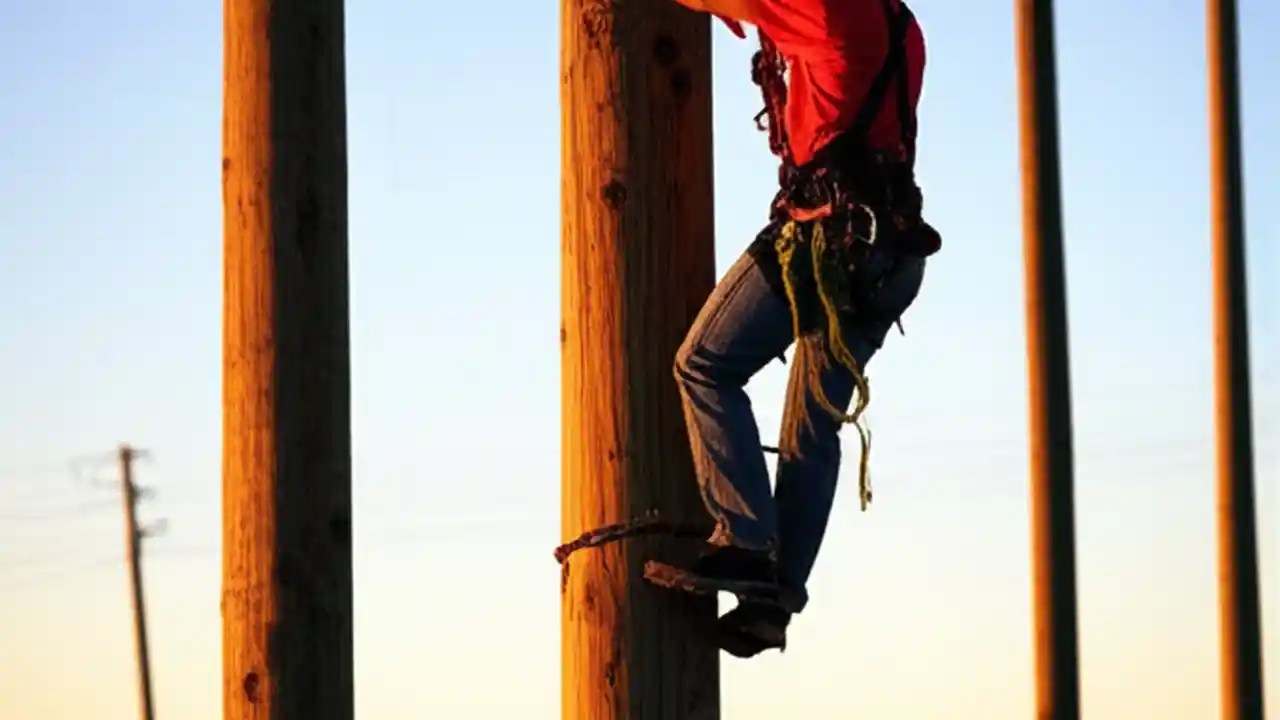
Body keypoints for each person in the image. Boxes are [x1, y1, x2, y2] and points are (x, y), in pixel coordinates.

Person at [665, 0, 941, 657]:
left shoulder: (828, 8)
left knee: (704, 366)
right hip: (890, 254)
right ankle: (774, 600)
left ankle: (744, 542)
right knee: (811, 431)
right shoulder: (899, 22)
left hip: (832, 240)